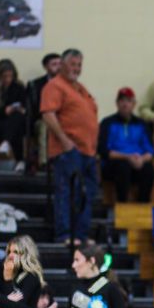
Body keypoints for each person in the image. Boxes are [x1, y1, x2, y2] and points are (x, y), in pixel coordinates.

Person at [40, 48, 99, 244]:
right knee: (66, 192)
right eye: (73, 64)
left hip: (88, 151)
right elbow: (48, 114)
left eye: (79, 65)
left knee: (86, 195)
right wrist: (65, 141)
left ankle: (80, 235)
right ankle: (65, 235)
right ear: (63, 65)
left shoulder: (81, 88)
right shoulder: (55, 86)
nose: (77, 68)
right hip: (68, 151)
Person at [98, 87, 154, 203]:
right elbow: (103, 151)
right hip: (114, 165)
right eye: (122, 100)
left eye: (128, 101)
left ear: (134, 104)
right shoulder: (107, 123)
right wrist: (127, 157)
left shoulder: (142, 124)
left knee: (149, 169)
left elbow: (150, 151)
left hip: (137, 163)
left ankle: (143, 206)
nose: (125, 104)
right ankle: (122, 205)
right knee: (123, 167)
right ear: (117, 103)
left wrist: (141, 159)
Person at [26, 52, 62, 169]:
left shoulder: (68, 83)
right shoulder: (36, 85)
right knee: (44, 126)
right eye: (54, 64)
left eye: (60, 64)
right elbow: (34, 108)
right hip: (43, 119)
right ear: (46, 67)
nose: (58, 67)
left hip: (63, 119)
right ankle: (44, 162)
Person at [0, 59, 27, 169]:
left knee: (17, 119)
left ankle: (6, 143)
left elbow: (25, 106)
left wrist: (21, 109)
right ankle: (20, 161)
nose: (8, 79)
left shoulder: (19, 87)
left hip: (13, 121)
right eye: (5, 76)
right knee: (14, 128)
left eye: (10, 76)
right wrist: (4, 111)